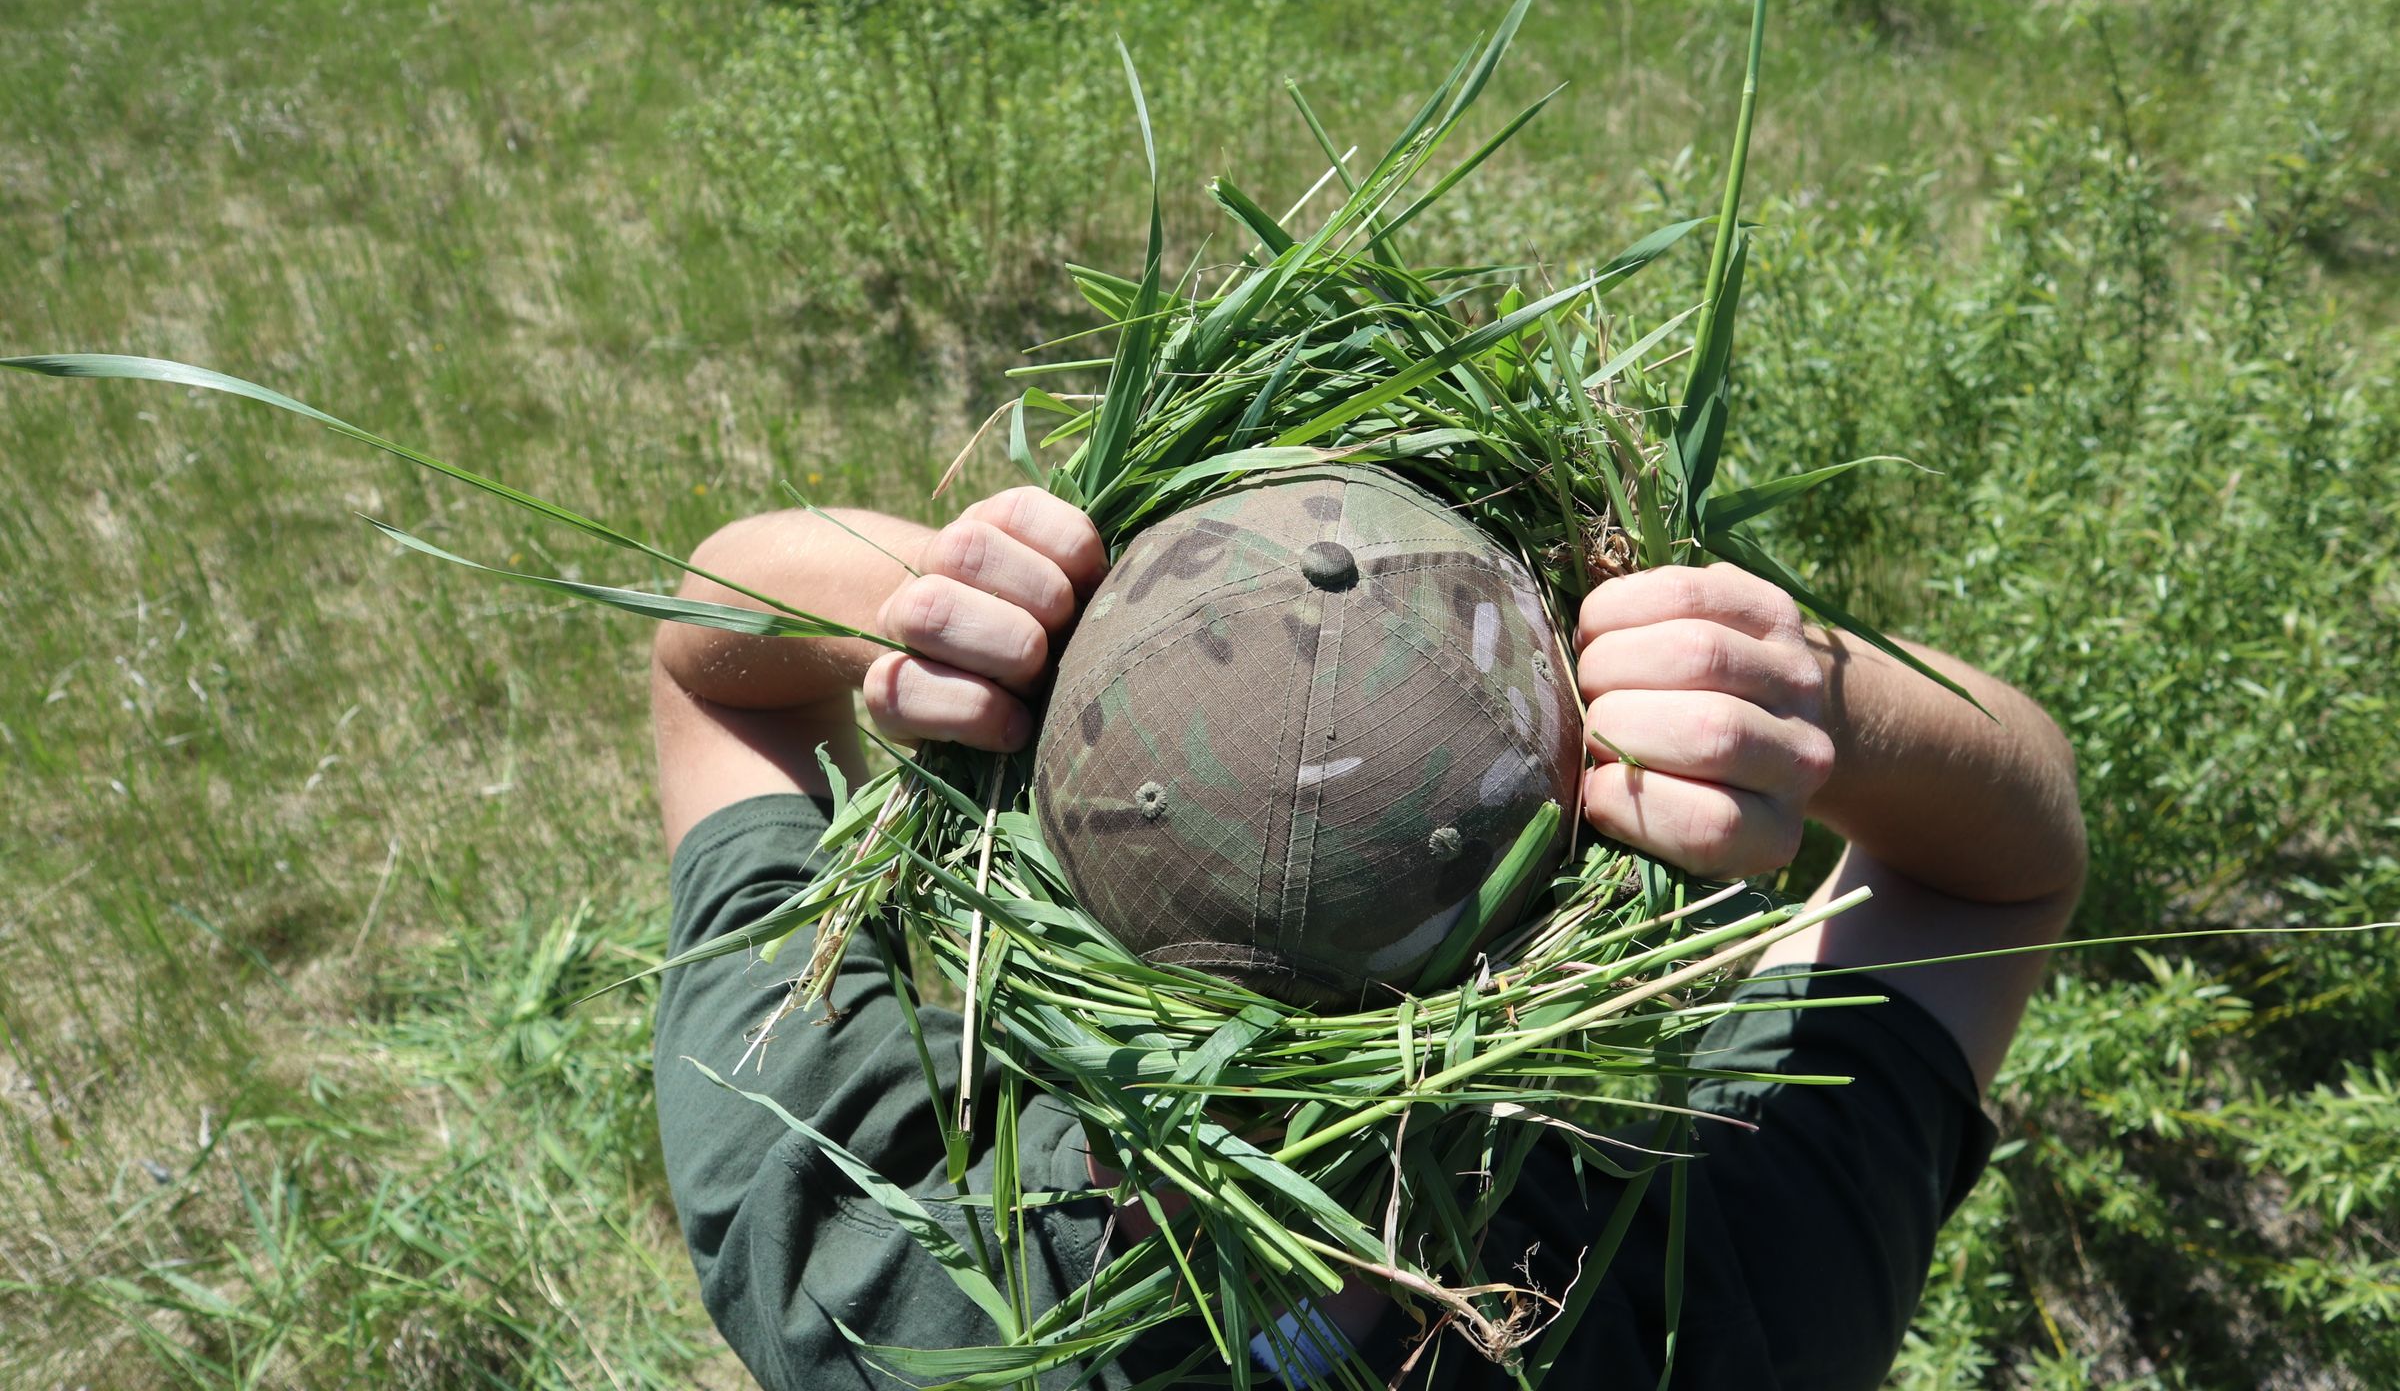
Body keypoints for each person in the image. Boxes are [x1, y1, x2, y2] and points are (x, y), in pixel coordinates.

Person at [648, 484, 2087, 1390]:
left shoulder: (879, 1288)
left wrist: (929, 605)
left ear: (1032, 923)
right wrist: (1811, 705)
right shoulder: (1709, 1308)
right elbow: (2001, 877)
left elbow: (713, 646)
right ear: (1566, 952)